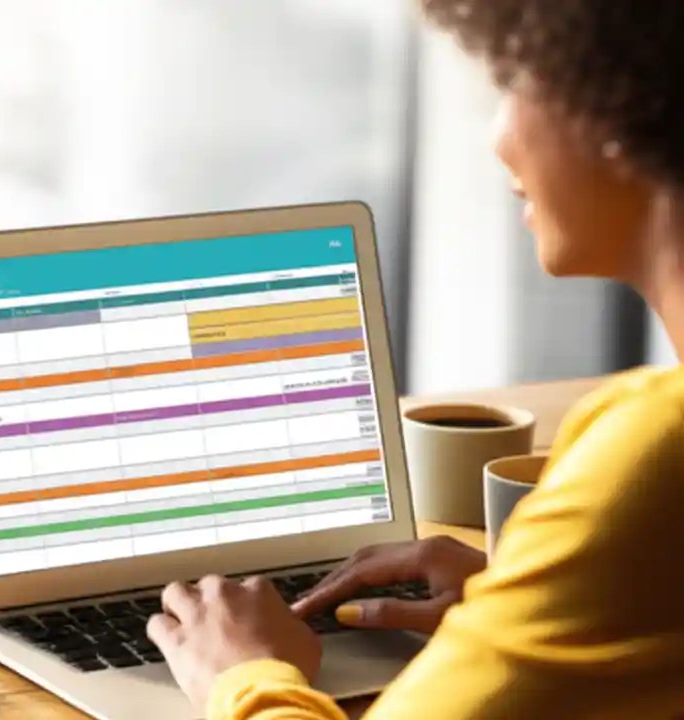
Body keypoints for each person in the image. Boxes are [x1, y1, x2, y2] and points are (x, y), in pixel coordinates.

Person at [145, 1, 684, 718]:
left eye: (516, 82)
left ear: (617, 105)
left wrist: (243, 675)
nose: (498, 137)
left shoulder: (656, 451)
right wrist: (528, 597)